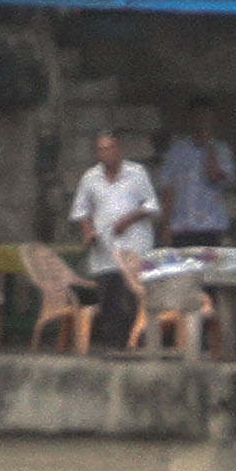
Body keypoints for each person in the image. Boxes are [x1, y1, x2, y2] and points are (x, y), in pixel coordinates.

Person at [69, 131, 159, 350]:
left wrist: (129, 219)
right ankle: (113, 343)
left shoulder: (136, 173)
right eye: (102, 149)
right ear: (97, 154)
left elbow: (152, 205)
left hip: (134, 247)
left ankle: (137, 341)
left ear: (118, 150)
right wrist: (88, 232)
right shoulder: (90, 178)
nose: (106, 153)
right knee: (108, 297)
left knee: (134, 295)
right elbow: (81, 211)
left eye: (110, 148)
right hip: (105, 250)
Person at [158, 102, 236, 248]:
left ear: (213, 120)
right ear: (191, 119)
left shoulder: (222, 150)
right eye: (199, 117)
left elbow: (214, 176)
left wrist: (209, 149)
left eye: (207, 117)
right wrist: (165, 226)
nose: (202, 121)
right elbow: (169, 190)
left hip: (210, 225)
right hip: (182, 227)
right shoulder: (177, 151)